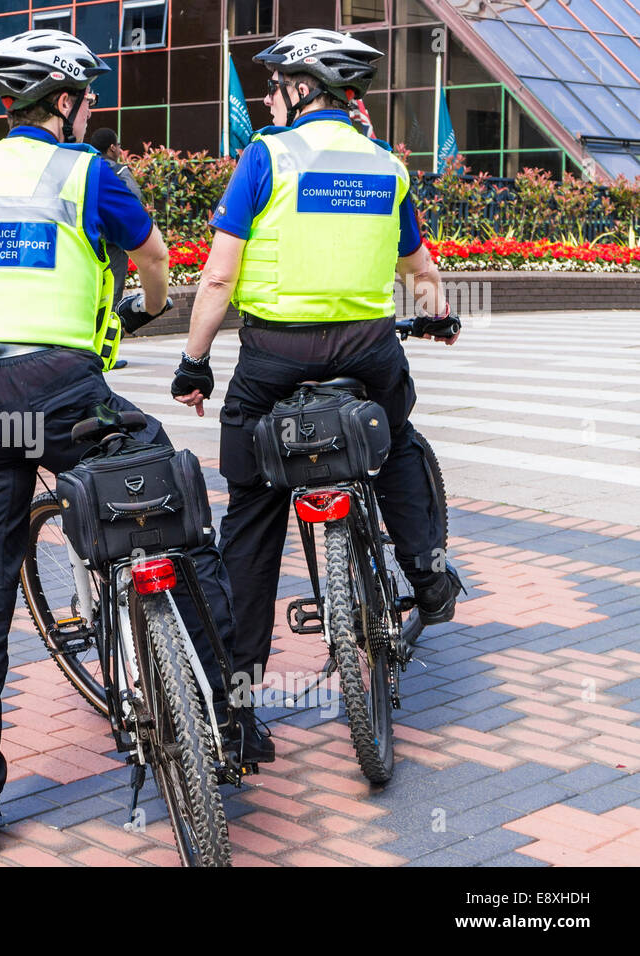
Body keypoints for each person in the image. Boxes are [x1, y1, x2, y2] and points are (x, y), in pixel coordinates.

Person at [0, 29, 238, 858]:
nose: (92, 112)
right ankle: (226, 711)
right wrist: (148, 310)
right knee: (169, 508)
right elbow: (155, 257)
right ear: (66, 103)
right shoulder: (85, 172)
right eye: (88, 99)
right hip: (65, 392)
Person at [172, 29, 464, 724]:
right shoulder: (385, 165)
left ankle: (238, 702)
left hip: (275, 359)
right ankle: (425, 574)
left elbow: (218, 274)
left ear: (303, 89)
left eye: (276, 86)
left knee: (252, 505)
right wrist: (441, 316)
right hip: (368, 352)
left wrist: (194, 362)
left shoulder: (265, 156)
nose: (269, 98)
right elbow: (419, 271)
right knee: (392, 437)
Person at [88, 127, 142, 294]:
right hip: (113, 242)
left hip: (89, 238)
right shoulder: (119, 171)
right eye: (118, 145)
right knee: (112, 290)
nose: (119, 149)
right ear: (112, 147)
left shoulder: (86, 168)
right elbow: (135, 198)